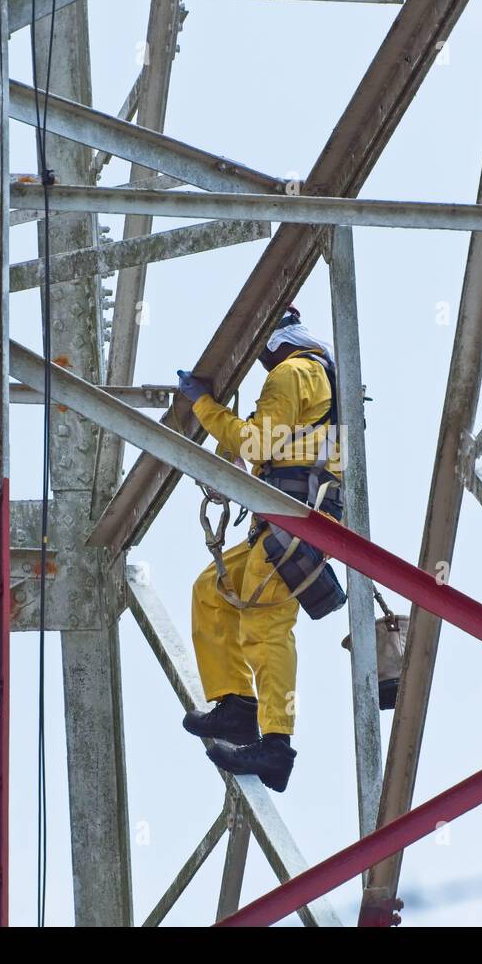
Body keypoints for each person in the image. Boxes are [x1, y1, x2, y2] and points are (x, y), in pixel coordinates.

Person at [175, 307, 344, 792]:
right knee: (213, 589)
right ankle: (236, 706)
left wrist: (204, 407)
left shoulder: (295, 372)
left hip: (298, 516)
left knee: (265, 624)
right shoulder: (313, 371)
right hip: (281, 514)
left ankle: (276, 743)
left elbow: (258, 442)